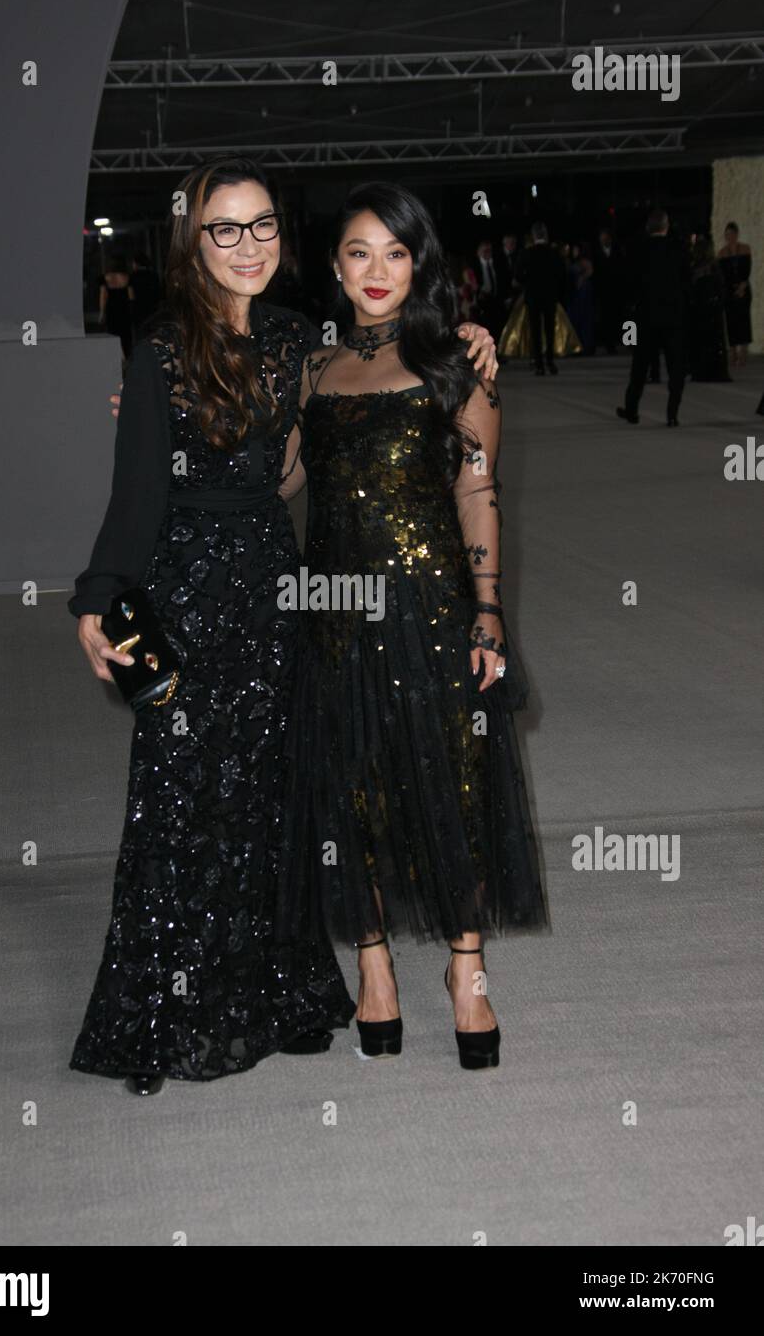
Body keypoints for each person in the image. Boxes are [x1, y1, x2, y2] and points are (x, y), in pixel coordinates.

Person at [78, 159, 499, 1094]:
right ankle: (173, 1011)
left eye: (262, 224)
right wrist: (99, 595)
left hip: (279, 587)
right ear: (193, 240)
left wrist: (463, 335)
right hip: (188, 587)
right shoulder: (159, 348)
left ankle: (278, 994)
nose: (248, 245)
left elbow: (311, 456)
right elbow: (136, 494)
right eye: (225, 229)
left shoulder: (298, 339)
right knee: (182, 794)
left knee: (275, 795)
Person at [276, 183, 550, 1071]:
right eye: (359, 251)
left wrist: (488, 612)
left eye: (396, 253)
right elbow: (274, 482)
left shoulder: (458, 363)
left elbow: (477, 489)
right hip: (333, 610)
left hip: (431, 607)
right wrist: (171, 423)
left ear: (419, 264)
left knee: (454, 780)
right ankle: (374, 964)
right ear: (335, 265)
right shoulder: (312, 371)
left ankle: (467, 971)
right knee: (350, 784)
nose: (377, 270)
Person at [617, 209, 689, 428]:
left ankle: (632, 409)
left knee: (639, 366)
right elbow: (686, 281)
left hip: (646, 315)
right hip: (672, 316)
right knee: (676, 366)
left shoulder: (638, 250)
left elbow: (629, 284)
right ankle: (672, 413)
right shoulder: (678, 249)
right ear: (666, 226)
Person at [518, 222, 566, 375]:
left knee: (535, 331)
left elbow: (518, 275)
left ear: (533, 236)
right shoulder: (553, 253)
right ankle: (550, 361)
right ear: (546, 235)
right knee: (549, 330)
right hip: (550, 297)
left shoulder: (527, 253)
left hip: (533, 297)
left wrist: (528, 283)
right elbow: (562, 274)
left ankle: (539, 364)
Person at [688, 237, 730, 383]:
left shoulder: (694, 268)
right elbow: (721, 287)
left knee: (701, 341)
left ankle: (701, 371)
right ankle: (717, 371)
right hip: (714, 309)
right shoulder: (714, 266)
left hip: (700, 310)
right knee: (715, 341)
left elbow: (691, 289)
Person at [718, 222, 752, 368]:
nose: (729, 237)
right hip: (729, 291)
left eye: (731, 234)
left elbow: (747, 271)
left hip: (744, 289)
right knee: (731, 322)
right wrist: (730, 290)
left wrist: (742, 287)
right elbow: (722, 276)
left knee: (744, 321)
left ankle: (743, 353)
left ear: (737, 234)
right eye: (727, 235)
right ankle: (733, 353)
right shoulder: (722, 253)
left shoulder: (745, 248)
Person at [593, 227, 625, 353]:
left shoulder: (617, 251)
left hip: (615, 289)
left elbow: (620, 268)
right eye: (602, 237)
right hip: (602, 290)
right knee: (605, 318)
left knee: (615, 316)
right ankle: (608, 343)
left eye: (605, 237)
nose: (604, 239)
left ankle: (615, 341)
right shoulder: (596, 252)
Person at [98, 254, 135, 361]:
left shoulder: (106, 278)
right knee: (125, 334)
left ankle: (116, 357)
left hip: (112, 309)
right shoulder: (127, 278)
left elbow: (103, 296)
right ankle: (127, 357)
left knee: (113, 333)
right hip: (124, 309)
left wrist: (102, 312)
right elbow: (131, 296)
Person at [471, 237, 503, 341]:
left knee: (497, 329)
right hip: (482, 303)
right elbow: (471, 285)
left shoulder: (498, 263)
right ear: (478, 252)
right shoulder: (474, 266)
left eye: (489, 250)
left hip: (497, 301)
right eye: (484, 251)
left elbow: (503, 281)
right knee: (485, 330)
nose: (487, 253)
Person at [567, 244, 596, 354]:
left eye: (576, 249)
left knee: (585, 319)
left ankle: (586, 346)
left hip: (583, 293)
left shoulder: (584, 262)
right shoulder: (571, 262)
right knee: (576, 320)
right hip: (575, 295)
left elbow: (590, 271)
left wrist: (582, 278)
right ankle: (578, 346)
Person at [128, 251, 162, 337]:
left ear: (136, 263)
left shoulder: (133, 276)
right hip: (152, 309)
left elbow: (131, 297)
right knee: (152, 333)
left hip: (138, 309)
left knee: (139, 334)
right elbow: (158, 293)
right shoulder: (154, 275)